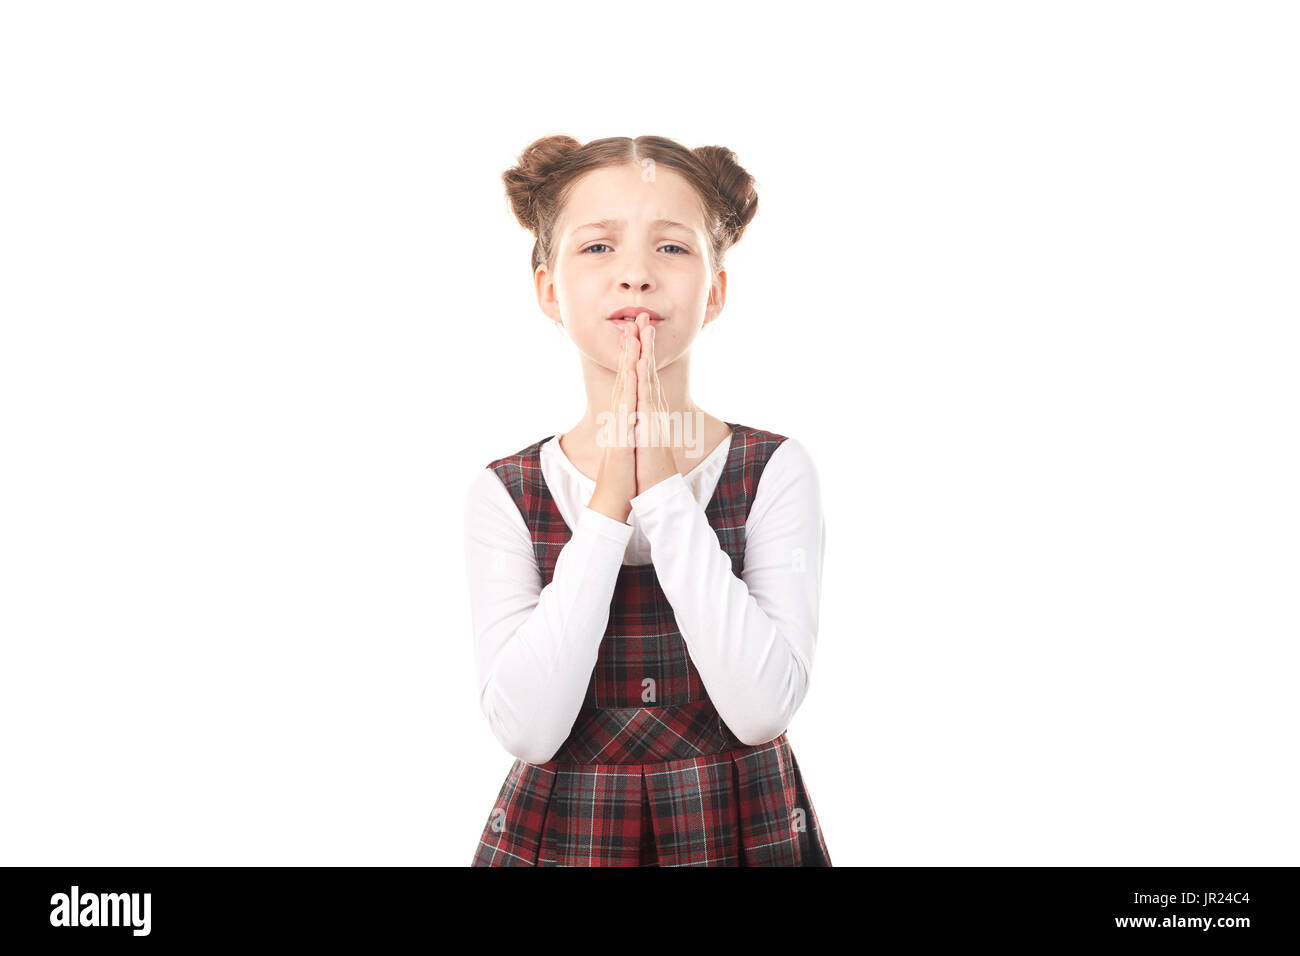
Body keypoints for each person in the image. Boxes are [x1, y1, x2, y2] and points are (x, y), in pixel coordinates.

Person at [464, 134, 831, 866]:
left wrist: (662, 486)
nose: (634, 275)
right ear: (547, 289)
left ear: (716, 289)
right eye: (598, 248)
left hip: (736, 830)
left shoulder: (775, 470)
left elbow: (762, 710)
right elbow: (530, 729)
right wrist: (609, 499)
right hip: (569, 834)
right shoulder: (505, 492)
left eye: (672, 248)